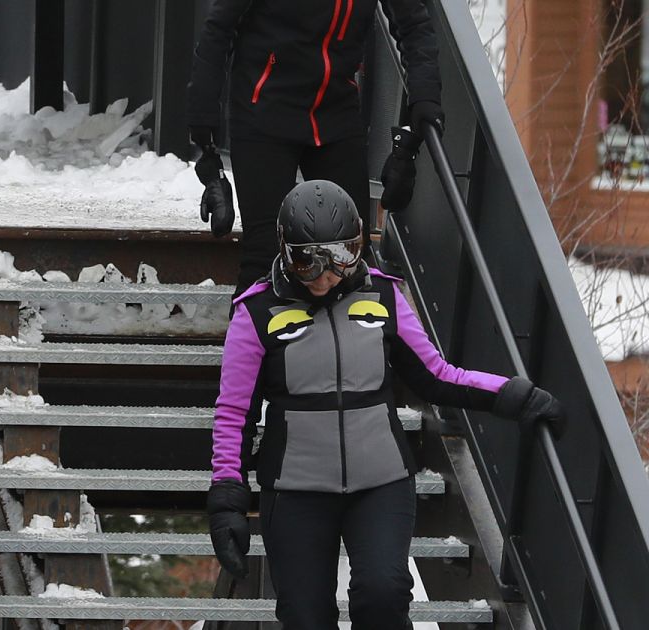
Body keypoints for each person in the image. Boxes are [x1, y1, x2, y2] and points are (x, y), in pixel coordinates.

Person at [207, 180, 565, 629]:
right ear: (284, 249)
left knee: (383, 593)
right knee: (304, 614)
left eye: (340, 256)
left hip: (380, 482)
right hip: (295, 488)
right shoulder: (256, 311)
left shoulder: (383, 295)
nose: (324, 275)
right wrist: (226, 499)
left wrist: (514, 395)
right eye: (307, 260)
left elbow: (436, 376)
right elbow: (234, 413)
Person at [187, 0, 445, 299]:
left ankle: (352, 345)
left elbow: (414, 25)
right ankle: (251, 344)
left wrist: (424, 105)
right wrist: (203, 126)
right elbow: (219, 27)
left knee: (351, 256)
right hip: (264, 110)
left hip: (336, 113)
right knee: (265, 258)